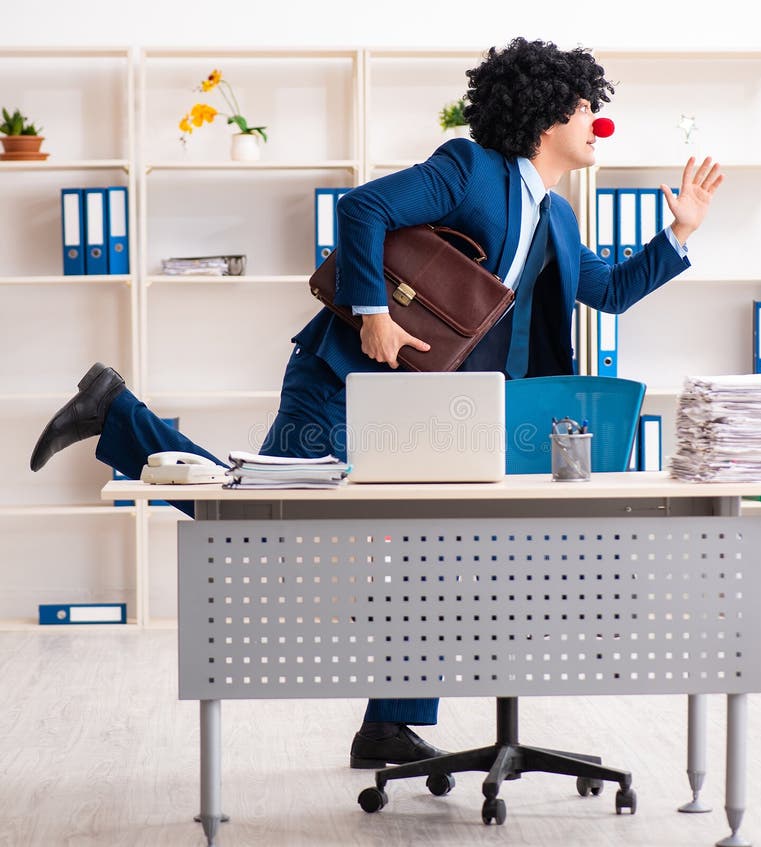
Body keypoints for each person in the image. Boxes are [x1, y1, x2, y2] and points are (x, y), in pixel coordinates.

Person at [30, 37, 724, 771]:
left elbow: (606, 292)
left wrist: (680, 232)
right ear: (546, 114)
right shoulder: (470, 168)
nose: (596, 123)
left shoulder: (556, 216)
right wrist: (372, 310)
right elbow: (362, 208)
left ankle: (388, 727)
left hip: (433, 414)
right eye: (586, 109)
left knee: (432, 557)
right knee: (259, 523)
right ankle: (117, 414)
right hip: (343, 380)